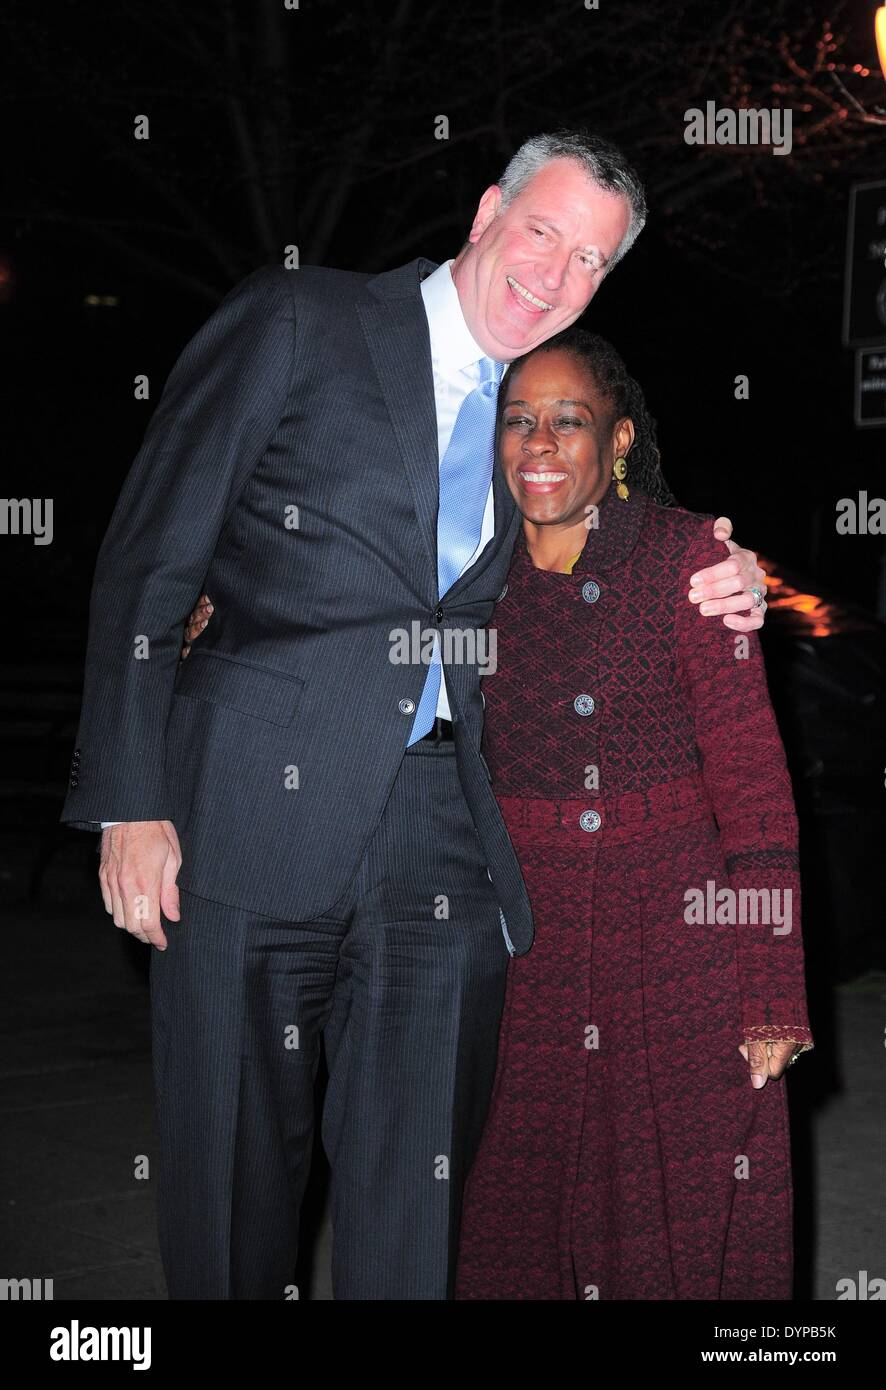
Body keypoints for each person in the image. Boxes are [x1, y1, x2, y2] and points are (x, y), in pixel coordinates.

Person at [63, 130, 768, 1301]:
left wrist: (728, 574)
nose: (553, 275)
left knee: (420, 1212)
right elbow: (147, 557)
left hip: (448, 840)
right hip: (245, 819)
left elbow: (625, 547)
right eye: (542, 232)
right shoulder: (302, 319)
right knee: (232, 1188)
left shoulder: (538, 415)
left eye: (588, 261)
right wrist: (129, 799)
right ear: (489, 210)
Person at [450, 328, 813, 1301]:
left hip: (674, 968)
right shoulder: (468, 584)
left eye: (568, 420)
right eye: (518, 420)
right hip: (520, 972)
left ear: (617, 441)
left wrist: (770, 986)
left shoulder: (682, 562)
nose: (538, 442)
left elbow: (752, 787)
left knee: (673, 1244)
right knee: (510, 1235)